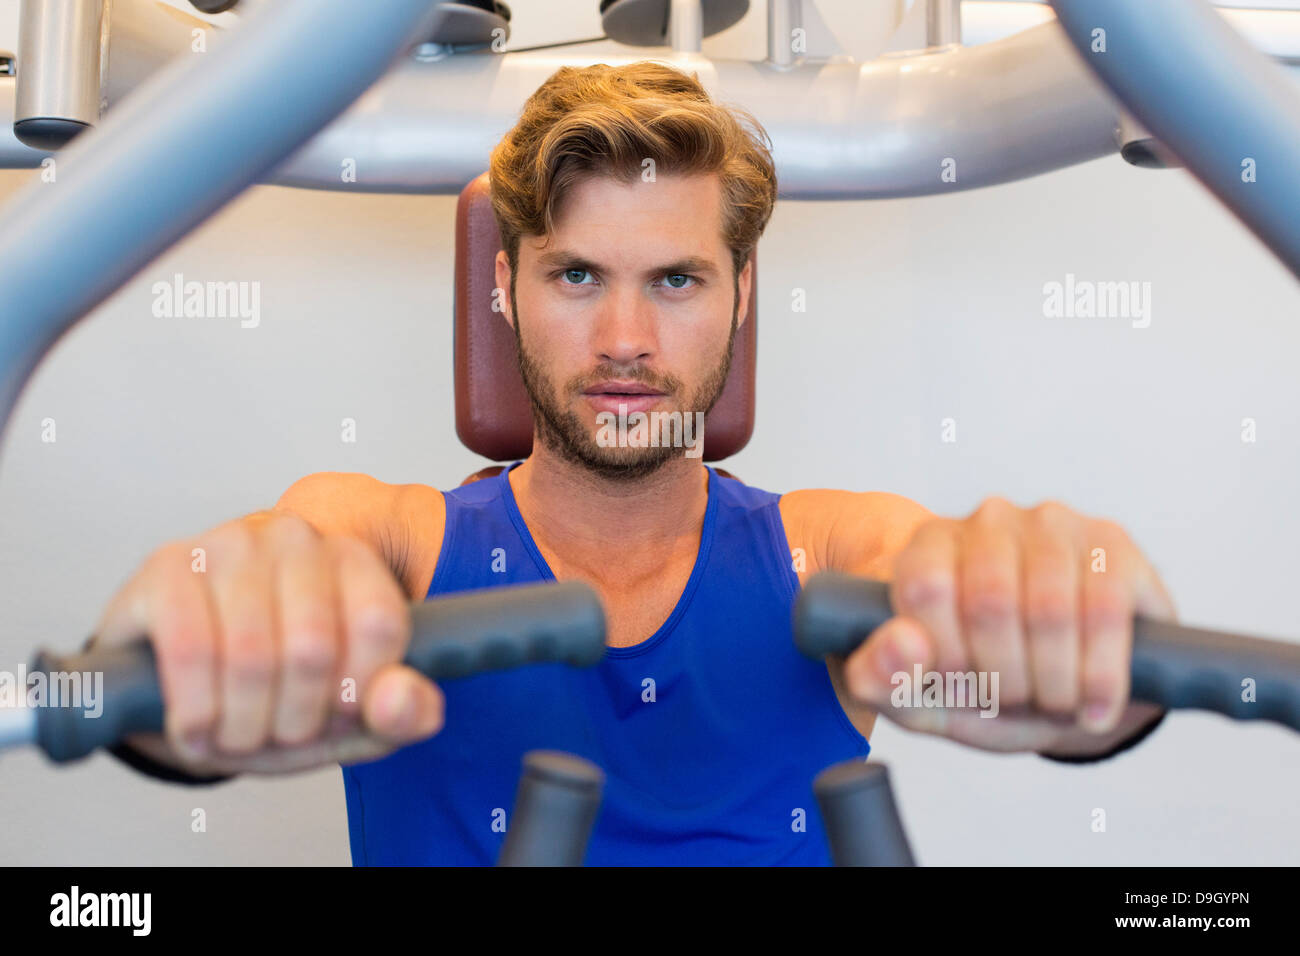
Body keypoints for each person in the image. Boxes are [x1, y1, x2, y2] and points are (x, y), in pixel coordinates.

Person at [95, 61, 1173, 865]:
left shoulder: (830, 551)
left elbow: (995, 611)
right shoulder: (388, 541)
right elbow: (249, 601)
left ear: (742, 296)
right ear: (505, 287)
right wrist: (201, 615)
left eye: (674, 280)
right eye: (574, 276)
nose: (623, 337)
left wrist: (1065, 615)